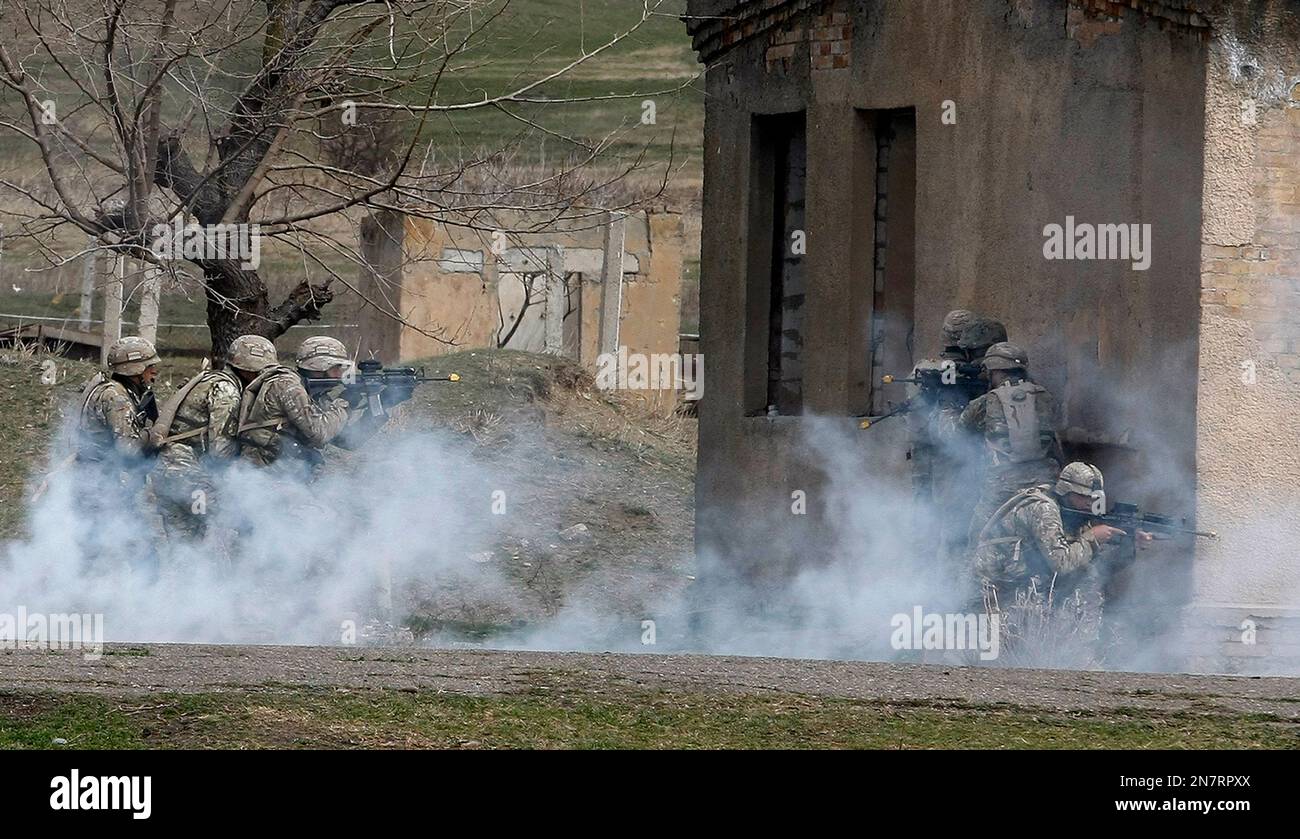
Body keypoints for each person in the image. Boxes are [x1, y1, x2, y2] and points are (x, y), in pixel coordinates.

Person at [970, 462, 1137, 657]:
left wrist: (1129, 542)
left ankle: (1078, 651)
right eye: (1083, 496)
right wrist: (1093, 537)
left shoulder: (1071, 512)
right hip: (995, 590)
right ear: (1066, 490)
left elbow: (1095, 563)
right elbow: (1062, 563)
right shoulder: (1044, 509)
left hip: (1018, 586)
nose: (1089, 503)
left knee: (1087, 575)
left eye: (1093, 498)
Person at [908, 312, 1007, 571]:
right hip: (941, 461)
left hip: (955, 462)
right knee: (944, 526)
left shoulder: (960, 373)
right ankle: (939, 586)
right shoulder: (931, 372)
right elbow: (933, 426)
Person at [151, 335, 276, 541]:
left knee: (184, 545)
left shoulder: (209, 379)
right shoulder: (227, 391)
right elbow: (220, 450)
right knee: (249, 521)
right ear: (250, 369)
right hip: (190, 477)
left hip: (168, 472)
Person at [960, 341, 1064, 548]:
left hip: (1003, 482)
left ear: (995, 370)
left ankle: (976, 577)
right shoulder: (1046, 396)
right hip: (1045, 480)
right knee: (1047, 537)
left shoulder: (987, 401)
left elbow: (962, 427)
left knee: (978, 538)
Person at [73, 336, 161, 570]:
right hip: (105, 486)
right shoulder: (116, 397)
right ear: (135, 369)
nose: (154, 372)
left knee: (94, 548)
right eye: (150, 366)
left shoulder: (113, 390)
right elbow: (128, 450)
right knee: (141, 549)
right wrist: (153, 436)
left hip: (96, 483)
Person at [236, 337, 350, 475]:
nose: (340, 374)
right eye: (337, 367)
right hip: (264, 472)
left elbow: (345, 442)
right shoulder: (287, 385)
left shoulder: (313, 393)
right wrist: (343, 405)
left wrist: (375, 412)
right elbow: (318, 433)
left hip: (285, 469)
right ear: (321, 366)